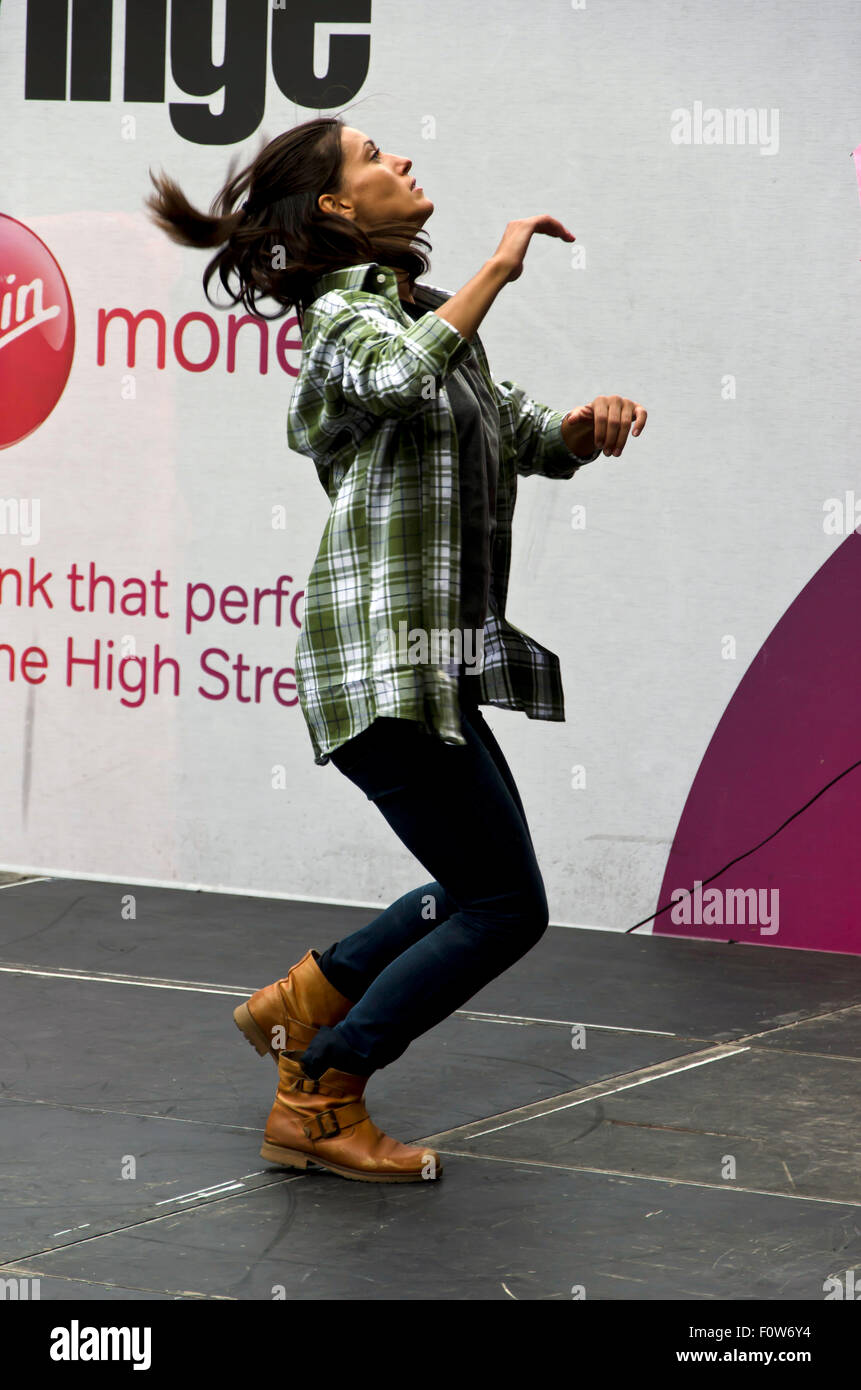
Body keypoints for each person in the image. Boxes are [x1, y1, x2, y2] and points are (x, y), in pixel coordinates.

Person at [145, 115, 646, 1185]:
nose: (404, 161)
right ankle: (322, 1089)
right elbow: (403, 381)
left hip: (431, 664)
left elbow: (517, 432)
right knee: (502, 906)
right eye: (375, 157)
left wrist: (584, 427)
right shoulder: (339, 316)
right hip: (375, 660)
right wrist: (497, 269)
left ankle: (309, 997)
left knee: (485, 893)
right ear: (333, 207)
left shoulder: (412, 314)